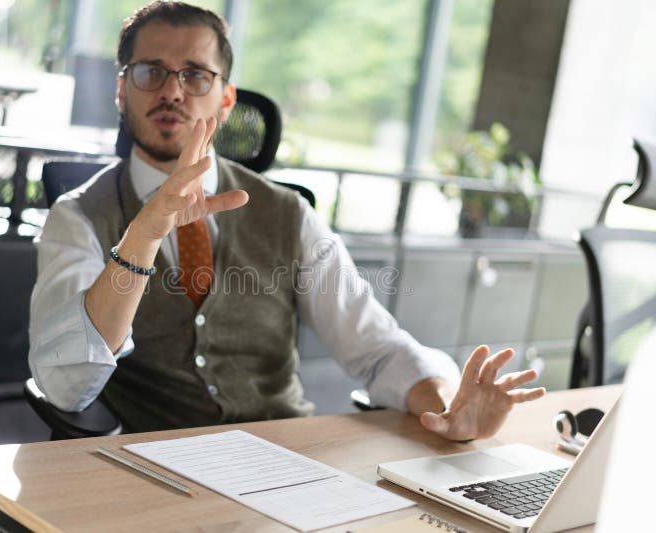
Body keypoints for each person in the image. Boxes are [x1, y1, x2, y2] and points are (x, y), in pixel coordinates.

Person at [28, 1, 544, 439]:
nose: (172, 92)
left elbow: (378, 350)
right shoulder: (77, 216)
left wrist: (446, 407)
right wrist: (143, 233)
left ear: (226, 100)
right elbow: (66, 384)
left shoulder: (286, 212)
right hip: (154, 473)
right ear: (121, 91)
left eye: (195, 75)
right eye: (150, 72)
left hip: (285, 461)